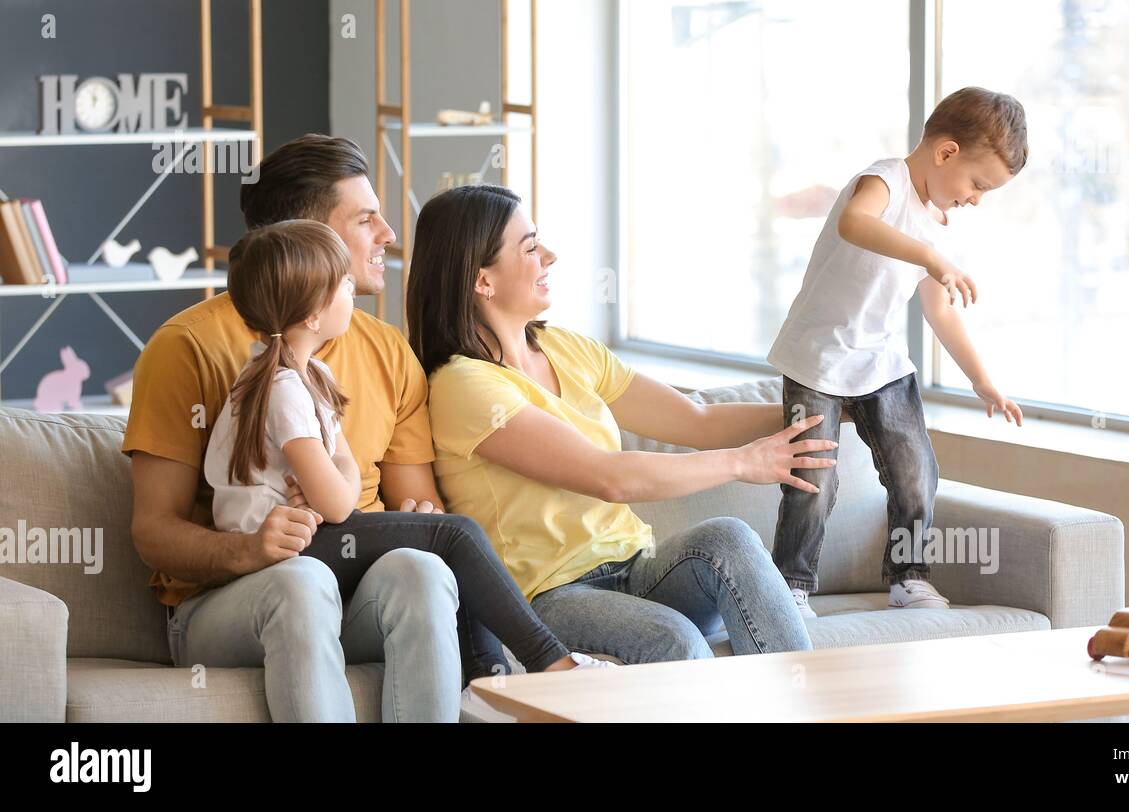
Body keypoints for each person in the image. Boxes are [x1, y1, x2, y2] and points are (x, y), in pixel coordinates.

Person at [126, 135, 487, 722]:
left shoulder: (389, 351)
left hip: (354, 588)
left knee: (422, 570)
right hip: (230, 606)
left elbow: (414, 500)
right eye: (366, 219)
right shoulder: (187, 346)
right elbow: (153, 531)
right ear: (304, 239)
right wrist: (249, 549)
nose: (389, 236)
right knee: (300, 584)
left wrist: (420, 519)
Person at [406, 184, 838, 665]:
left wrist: (826, 407)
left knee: (728, 538)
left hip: (636, 567)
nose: (550, 255)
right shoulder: (463, 386)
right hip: (550, 595)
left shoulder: (568, 349)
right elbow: (608, 476)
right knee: (673, 638)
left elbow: (697, 420)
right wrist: (741, 463)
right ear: (482, 280)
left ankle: (805, 703)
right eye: (530, 247)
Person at [202, 218, 610, 682]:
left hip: (309, 535)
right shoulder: (286, 389)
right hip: (287, 552)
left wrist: (336, 474)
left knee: (445, 542)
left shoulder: (311, 375)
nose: (352, 292)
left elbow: (336, 486)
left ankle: (489, 680)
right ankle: (551, 662)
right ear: (313, 315)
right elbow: (338, 503)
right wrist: (338, 473)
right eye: (343, 285)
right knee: (455, 536)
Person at [766, 86, 1027, 618]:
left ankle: (908, 578)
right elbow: (855, 224)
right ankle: (790, 585)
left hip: (881, 362)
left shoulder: (941, 224)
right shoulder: (883, 179)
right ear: (947, 152)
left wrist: (983, 381)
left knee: (916, 470)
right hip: (817, 359)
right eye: (978, 184)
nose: (976, 198)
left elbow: (941, 310)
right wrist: (930, 255)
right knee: (813, 477)